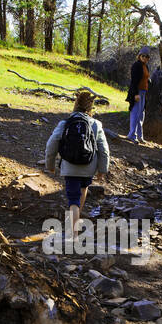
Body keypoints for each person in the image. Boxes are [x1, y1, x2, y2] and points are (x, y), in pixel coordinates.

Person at [45, 89, 109, 232]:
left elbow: (51, 143)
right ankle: (76, 225)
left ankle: (73, 233)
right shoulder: (96, 124)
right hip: (88, 166)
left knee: (73, 199)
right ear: (90, 108)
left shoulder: (65, 123)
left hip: (69, 165)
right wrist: (102, 170)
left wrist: (50, 165)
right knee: (83, 189)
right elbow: (103, 148)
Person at [125, 45, 150, 142]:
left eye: (146, 56)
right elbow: (134, 81)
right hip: (137, 92)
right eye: (143, 56)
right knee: (135, 114)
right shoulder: (136, 65)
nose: (144, 58)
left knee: (141, 115)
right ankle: (132, 135)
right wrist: (135, 94)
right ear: (139, 56)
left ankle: (140, 136)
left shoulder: (145, 66)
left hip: (144, 92)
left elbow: (145, 78)